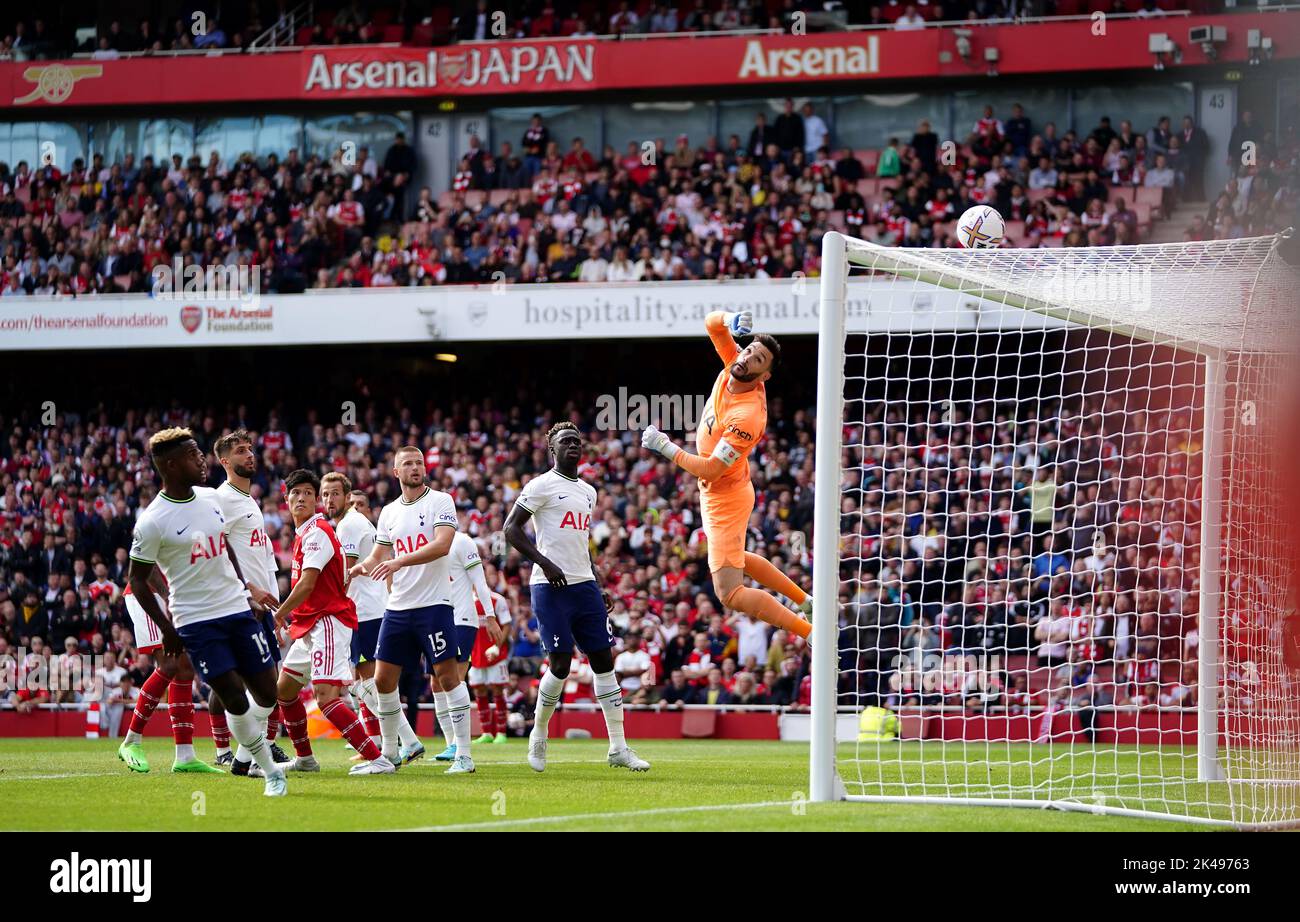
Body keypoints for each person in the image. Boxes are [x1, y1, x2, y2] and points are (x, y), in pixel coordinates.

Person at [127, 428, 288, 796]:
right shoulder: (153, 520)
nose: (202, 460)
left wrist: (244, 589)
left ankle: (246, 750)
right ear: (171, 464)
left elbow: (226, 547)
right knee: (232, 696)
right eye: (193, 454)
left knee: (266, 693)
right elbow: (137, 580)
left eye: (201, 452)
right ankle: (268, 771)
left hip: (235, 609)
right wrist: (167, 628)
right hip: (196, 621)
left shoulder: (209, 499)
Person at [639, 311, 813, 640]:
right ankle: (806, 602)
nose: (748, 357)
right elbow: (711, 325)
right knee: (736, 559)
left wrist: (665, 446)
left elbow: (711, 468)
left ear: (764, 376)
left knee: (729, 593)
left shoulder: (747, 415)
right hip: (718, 490)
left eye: (758, 359)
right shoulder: (737, 361)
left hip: (726, 497)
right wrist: (729, 317)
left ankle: (809, 632)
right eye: (749, 350)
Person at [505, 421, 650, 773]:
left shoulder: (588, 491)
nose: (573, 445)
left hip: (583, 585)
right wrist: (545, 563)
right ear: (552, 449)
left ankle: (618, 748)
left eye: (577, 441)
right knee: (561, 664)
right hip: (549, 587)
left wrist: (597, 583)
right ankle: (539, 733)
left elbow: (580, 544)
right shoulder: (540, 485)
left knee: (604, 661)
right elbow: (511, 529)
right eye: (565, 441)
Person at [351, 446, 477, 774]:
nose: (415, 467)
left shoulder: (440, 501)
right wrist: (359, 569)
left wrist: (399, 561)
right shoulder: (390, 512)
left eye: (419, 462)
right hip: (397, 608)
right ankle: (390, 755)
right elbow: (379, 553)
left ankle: (464, 755)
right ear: (396, 472)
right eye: (407, 463)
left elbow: (442, 544)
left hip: (433, 605)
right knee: (382, 681)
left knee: (448, 677)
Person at [270, 469, 396, 775]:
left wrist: (279, 613)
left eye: (308, 494)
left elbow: (306, 585)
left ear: (316, 501)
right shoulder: (305, 534)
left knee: (326, 697)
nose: (301, 498)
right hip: (312, 624)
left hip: (328, 622)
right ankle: (305, 758)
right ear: (286, 500)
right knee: (284, 690)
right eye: (295, 493)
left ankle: (378, 759)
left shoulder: (317, 533)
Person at [213, 430, 290, 774]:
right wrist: (246, 591)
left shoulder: (248, 500)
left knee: (255, 686)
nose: (250, 455)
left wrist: (276, 605)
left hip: (261, 607)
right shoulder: (222, 500)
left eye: (250, 450)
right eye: (241, 451)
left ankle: (246, 756)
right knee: (247, 685)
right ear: (224, 462)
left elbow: (261, 556)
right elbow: (215, 553)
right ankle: (235, 754)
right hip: (239, 605)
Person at [330, 480, 423, 763]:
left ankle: (402, 741)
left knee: (370, 682)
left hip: (364, 612)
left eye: (334, 493)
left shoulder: (348, 525)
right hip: (370, 608)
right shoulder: (357, 523)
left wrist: (332, 607)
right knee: (365, 681)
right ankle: (386, 741)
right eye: (325, 494)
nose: (328, 499)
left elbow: (345, 572)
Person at [115, 568, 220, 773]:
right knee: (169, 664)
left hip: (172, 596)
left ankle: (185, 756)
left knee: (184, 670)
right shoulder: (160, 534)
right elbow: (148, 564)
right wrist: (168, 596)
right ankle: (131, 741)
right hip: (148, 594)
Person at [434, 528, 496, 760]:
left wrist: (490, 616)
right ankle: (450, 744)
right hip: (436, 619)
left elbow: (479, 580)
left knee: (454, 680)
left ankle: (461, 746)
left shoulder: (462, 542)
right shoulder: (427, 540)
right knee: (435, 683)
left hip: (462, 619)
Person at [469, 589, 511, 743]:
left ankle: (501, 732)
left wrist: (497, 647)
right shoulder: (466, 599)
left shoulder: (497, 599)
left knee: (497, 689)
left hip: (495, 655)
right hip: (476, 655)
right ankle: (486, 733)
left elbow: (507, 625)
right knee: (479, 690)